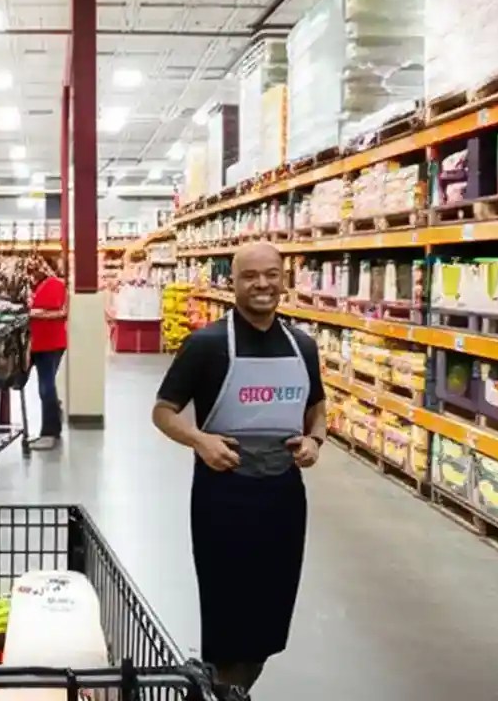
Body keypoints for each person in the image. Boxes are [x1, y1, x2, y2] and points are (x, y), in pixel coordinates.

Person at [150, 242, 326, 699]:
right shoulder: (207, 344)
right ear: (233, 282)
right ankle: (220, 685)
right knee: (227, 609)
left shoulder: (302, 346)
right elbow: (164, 411)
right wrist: (199, 440)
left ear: (283, 278)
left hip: (284, 495)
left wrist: (314, 440)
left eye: (271, 274)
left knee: (271, 608)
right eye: (251, 276)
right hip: (223, 494)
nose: (262, 284)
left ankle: (226, 687)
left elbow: (318, 408)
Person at [27, 257, 67, 449]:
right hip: (43, 343)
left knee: (46, 387)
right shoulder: (40, 284)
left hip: (49, 343)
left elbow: (60, 312)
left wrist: (33, 313)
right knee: (47, 386)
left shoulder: (54, 284)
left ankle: (50, 432)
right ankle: (54, 423)